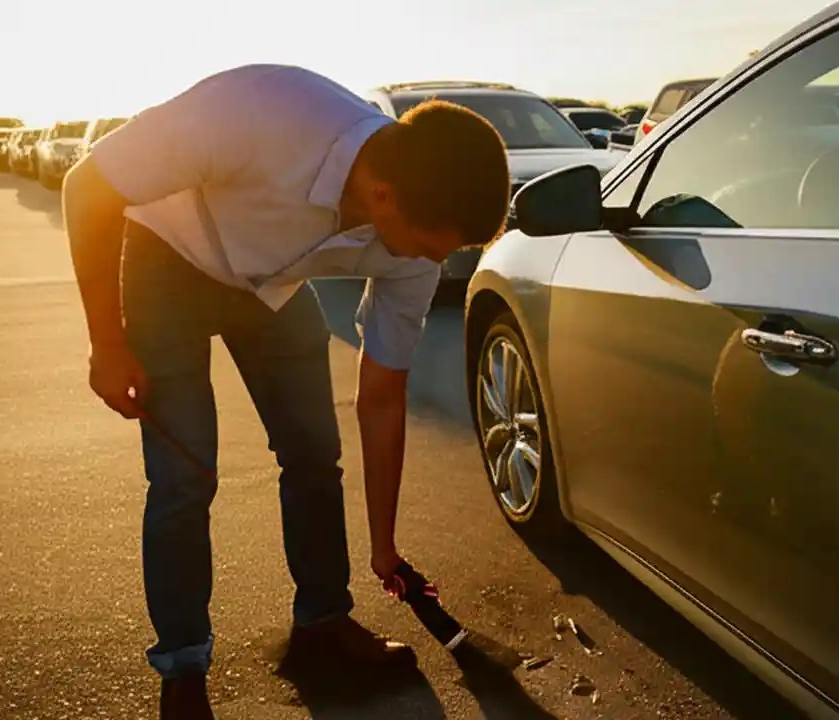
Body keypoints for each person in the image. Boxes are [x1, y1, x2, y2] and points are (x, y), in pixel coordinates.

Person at [61, 65, 510, 719]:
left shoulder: (416, 245)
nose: (427, 264)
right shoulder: (263, 109)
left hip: (271, 288)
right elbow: (88, 187)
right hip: (169, 256)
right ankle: (183, 668)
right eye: (423, 247)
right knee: (186, 476)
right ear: (383, 197)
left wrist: (383, 545)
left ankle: (323, 625)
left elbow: (382, 396)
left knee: (312, 453)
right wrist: (107, 341)